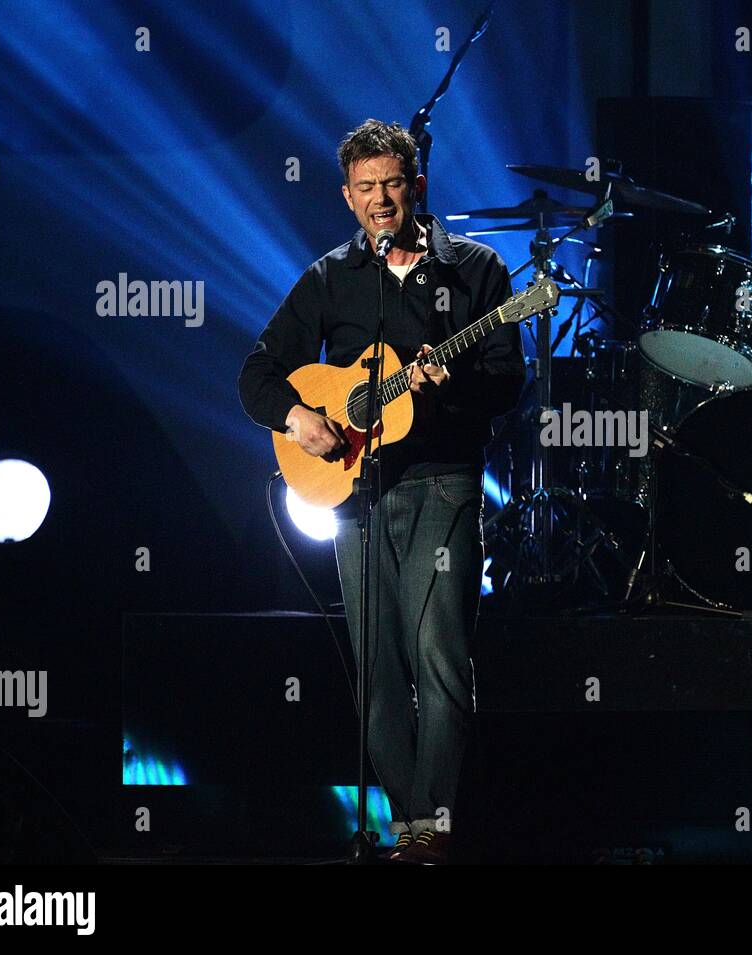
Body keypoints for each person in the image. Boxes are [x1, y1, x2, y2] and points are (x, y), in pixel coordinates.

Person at [237, 119, 525, 864]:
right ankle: (411, 832)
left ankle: (438, 834)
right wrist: (300, 417)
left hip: (444, 483)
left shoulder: (476, 271)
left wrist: (448, 382)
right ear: (346, 196)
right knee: (377, 676)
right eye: (365, 188)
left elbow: (507, 380)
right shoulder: (331, 278)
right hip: (355, 496)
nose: (380, 199)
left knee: (439, 654)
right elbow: (257, 373)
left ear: (416, 185)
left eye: (392, 183)